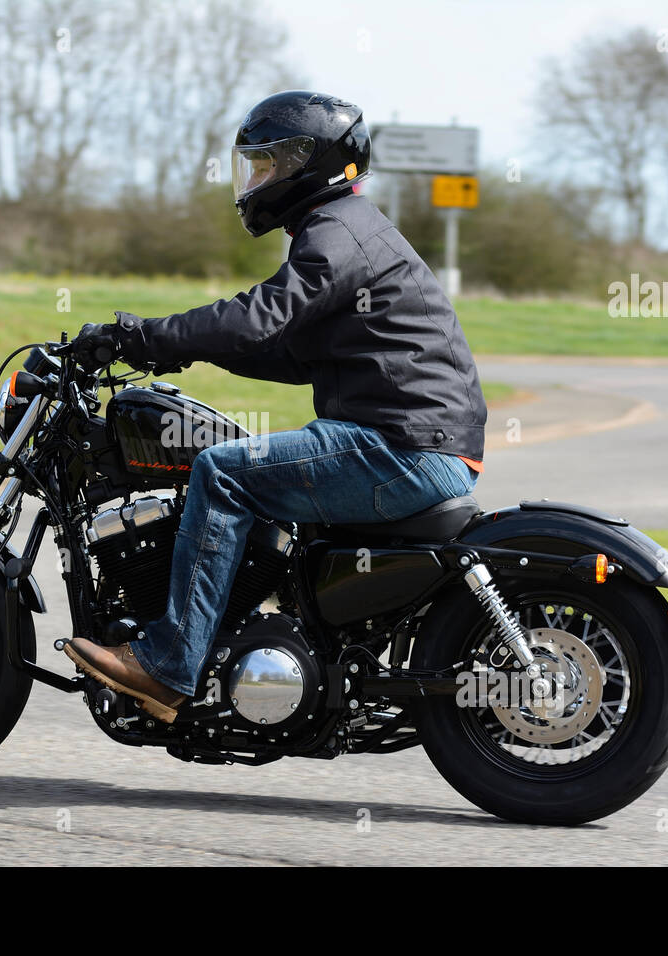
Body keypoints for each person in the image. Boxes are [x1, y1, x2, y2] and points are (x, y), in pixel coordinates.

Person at [64, 90, 487, 724]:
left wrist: (141, 335)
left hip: (404, 448)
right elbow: (286, 352)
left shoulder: (338, 233)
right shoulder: (348, 230)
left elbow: (259, 318)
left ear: (308, 166)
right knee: (241, 463)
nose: (257, 180)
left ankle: (168, 665)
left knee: (224, 472)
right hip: (412, 442)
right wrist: (176, 352)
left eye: (269, 165)